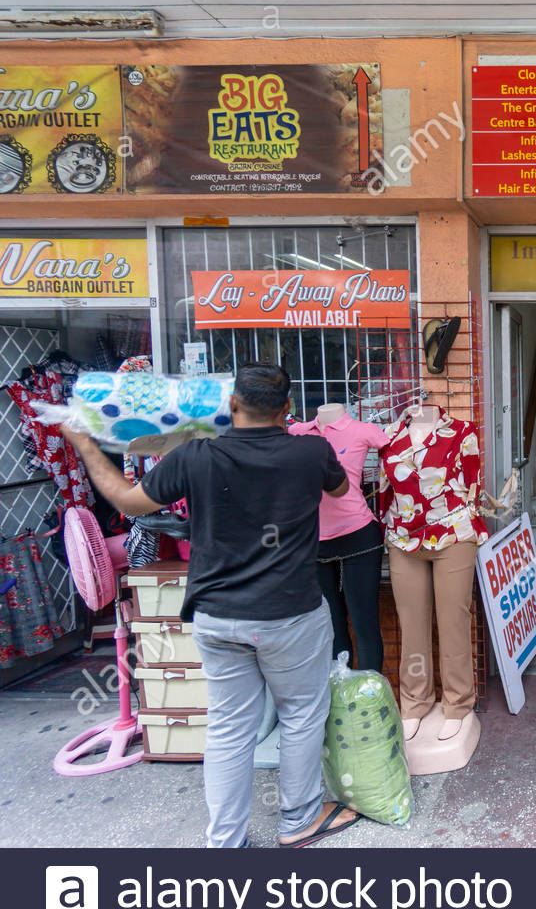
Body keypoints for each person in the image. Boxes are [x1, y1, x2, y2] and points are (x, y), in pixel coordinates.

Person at [61, 363, 361, 848]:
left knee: (227, 729)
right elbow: (342, 490)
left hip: (217, 616)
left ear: (232, 405)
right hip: (292, 614)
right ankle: (298, 820)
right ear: (287, 409)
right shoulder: (311, 451)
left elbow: (127, 503)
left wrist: (86, 445)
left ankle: (225, 842)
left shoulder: (195, 456)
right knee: (302, 715)